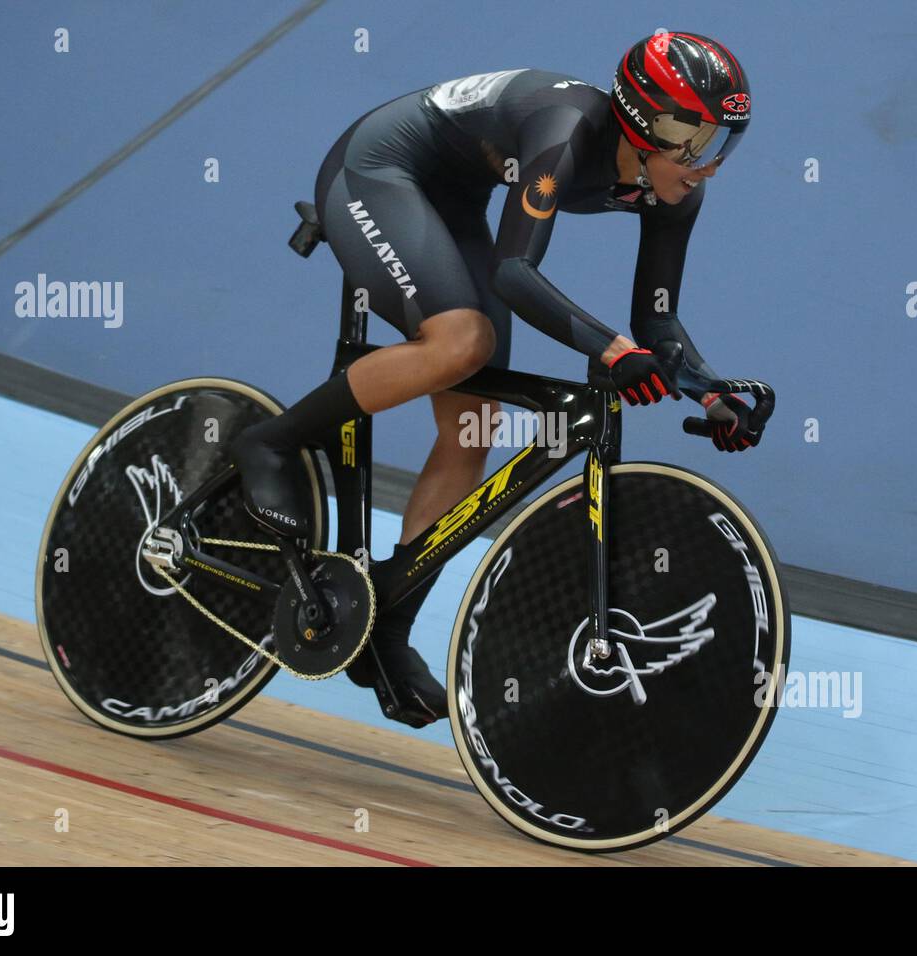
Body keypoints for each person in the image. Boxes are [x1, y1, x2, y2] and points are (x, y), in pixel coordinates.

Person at [230, 32, 760, 727]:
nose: (707, 164)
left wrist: (712, 394)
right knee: (463, 340)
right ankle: (269, 443)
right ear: (644, 117)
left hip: (453, 202)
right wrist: (610, 351)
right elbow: (514, 272)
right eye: (693, 138)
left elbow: (658, 326)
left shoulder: (675, 192)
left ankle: (385, 624)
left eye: (721, 141)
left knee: (470, 430)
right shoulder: (566, 132)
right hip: (377, 172)